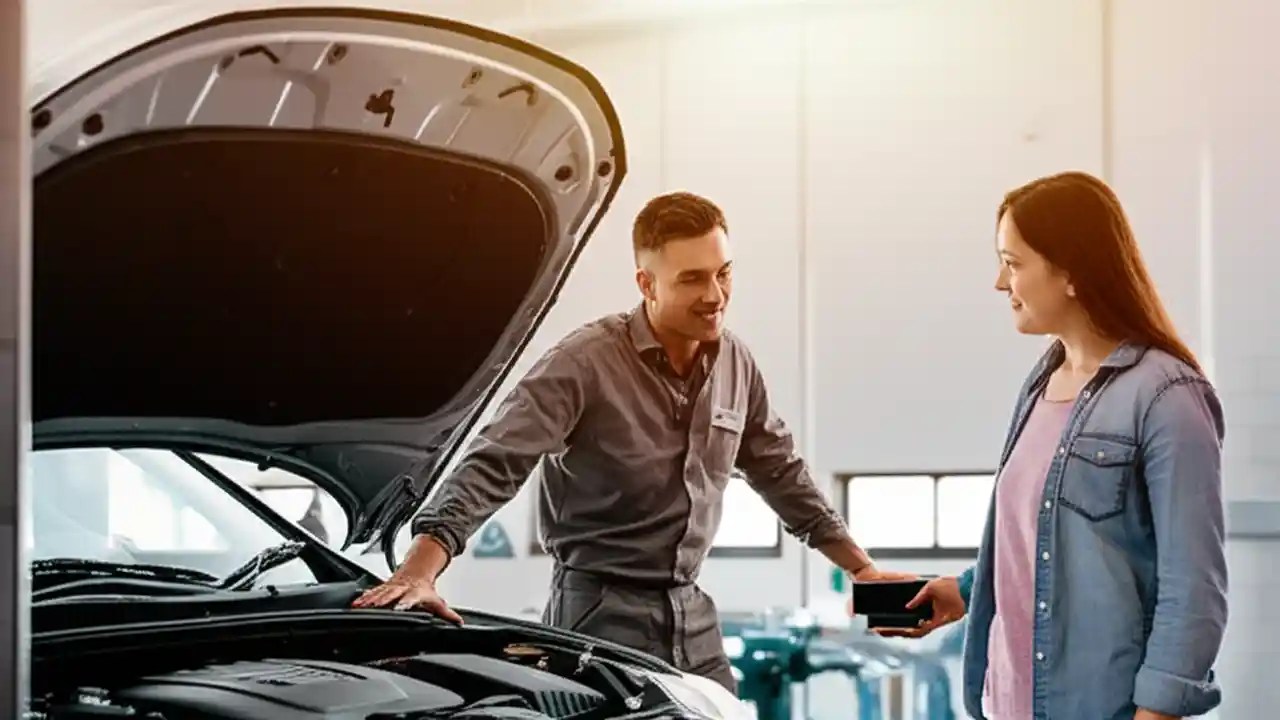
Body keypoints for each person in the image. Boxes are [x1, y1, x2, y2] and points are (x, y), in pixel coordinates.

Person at [353, 191, 910, 692]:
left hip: (692, 615)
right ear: (646, 284)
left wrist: (859, 568)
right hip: (597, 617)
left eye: (724, 273)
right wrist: (419, 571)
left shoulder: (735, 362)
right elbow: (496, 461)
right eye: (692, 279)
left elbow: (779, 470)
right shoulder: (583, 363)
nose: (715, 295)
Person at [874, 171, 1228, 720]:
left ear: (1070, 273)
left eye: (1013, 263)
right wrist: (963, 590)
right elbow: (1044, 542)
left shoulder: (1168, 396)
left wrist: (1157, 713)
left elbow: (1194, 588)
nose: (1000, 283)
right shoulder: (1041, 383)